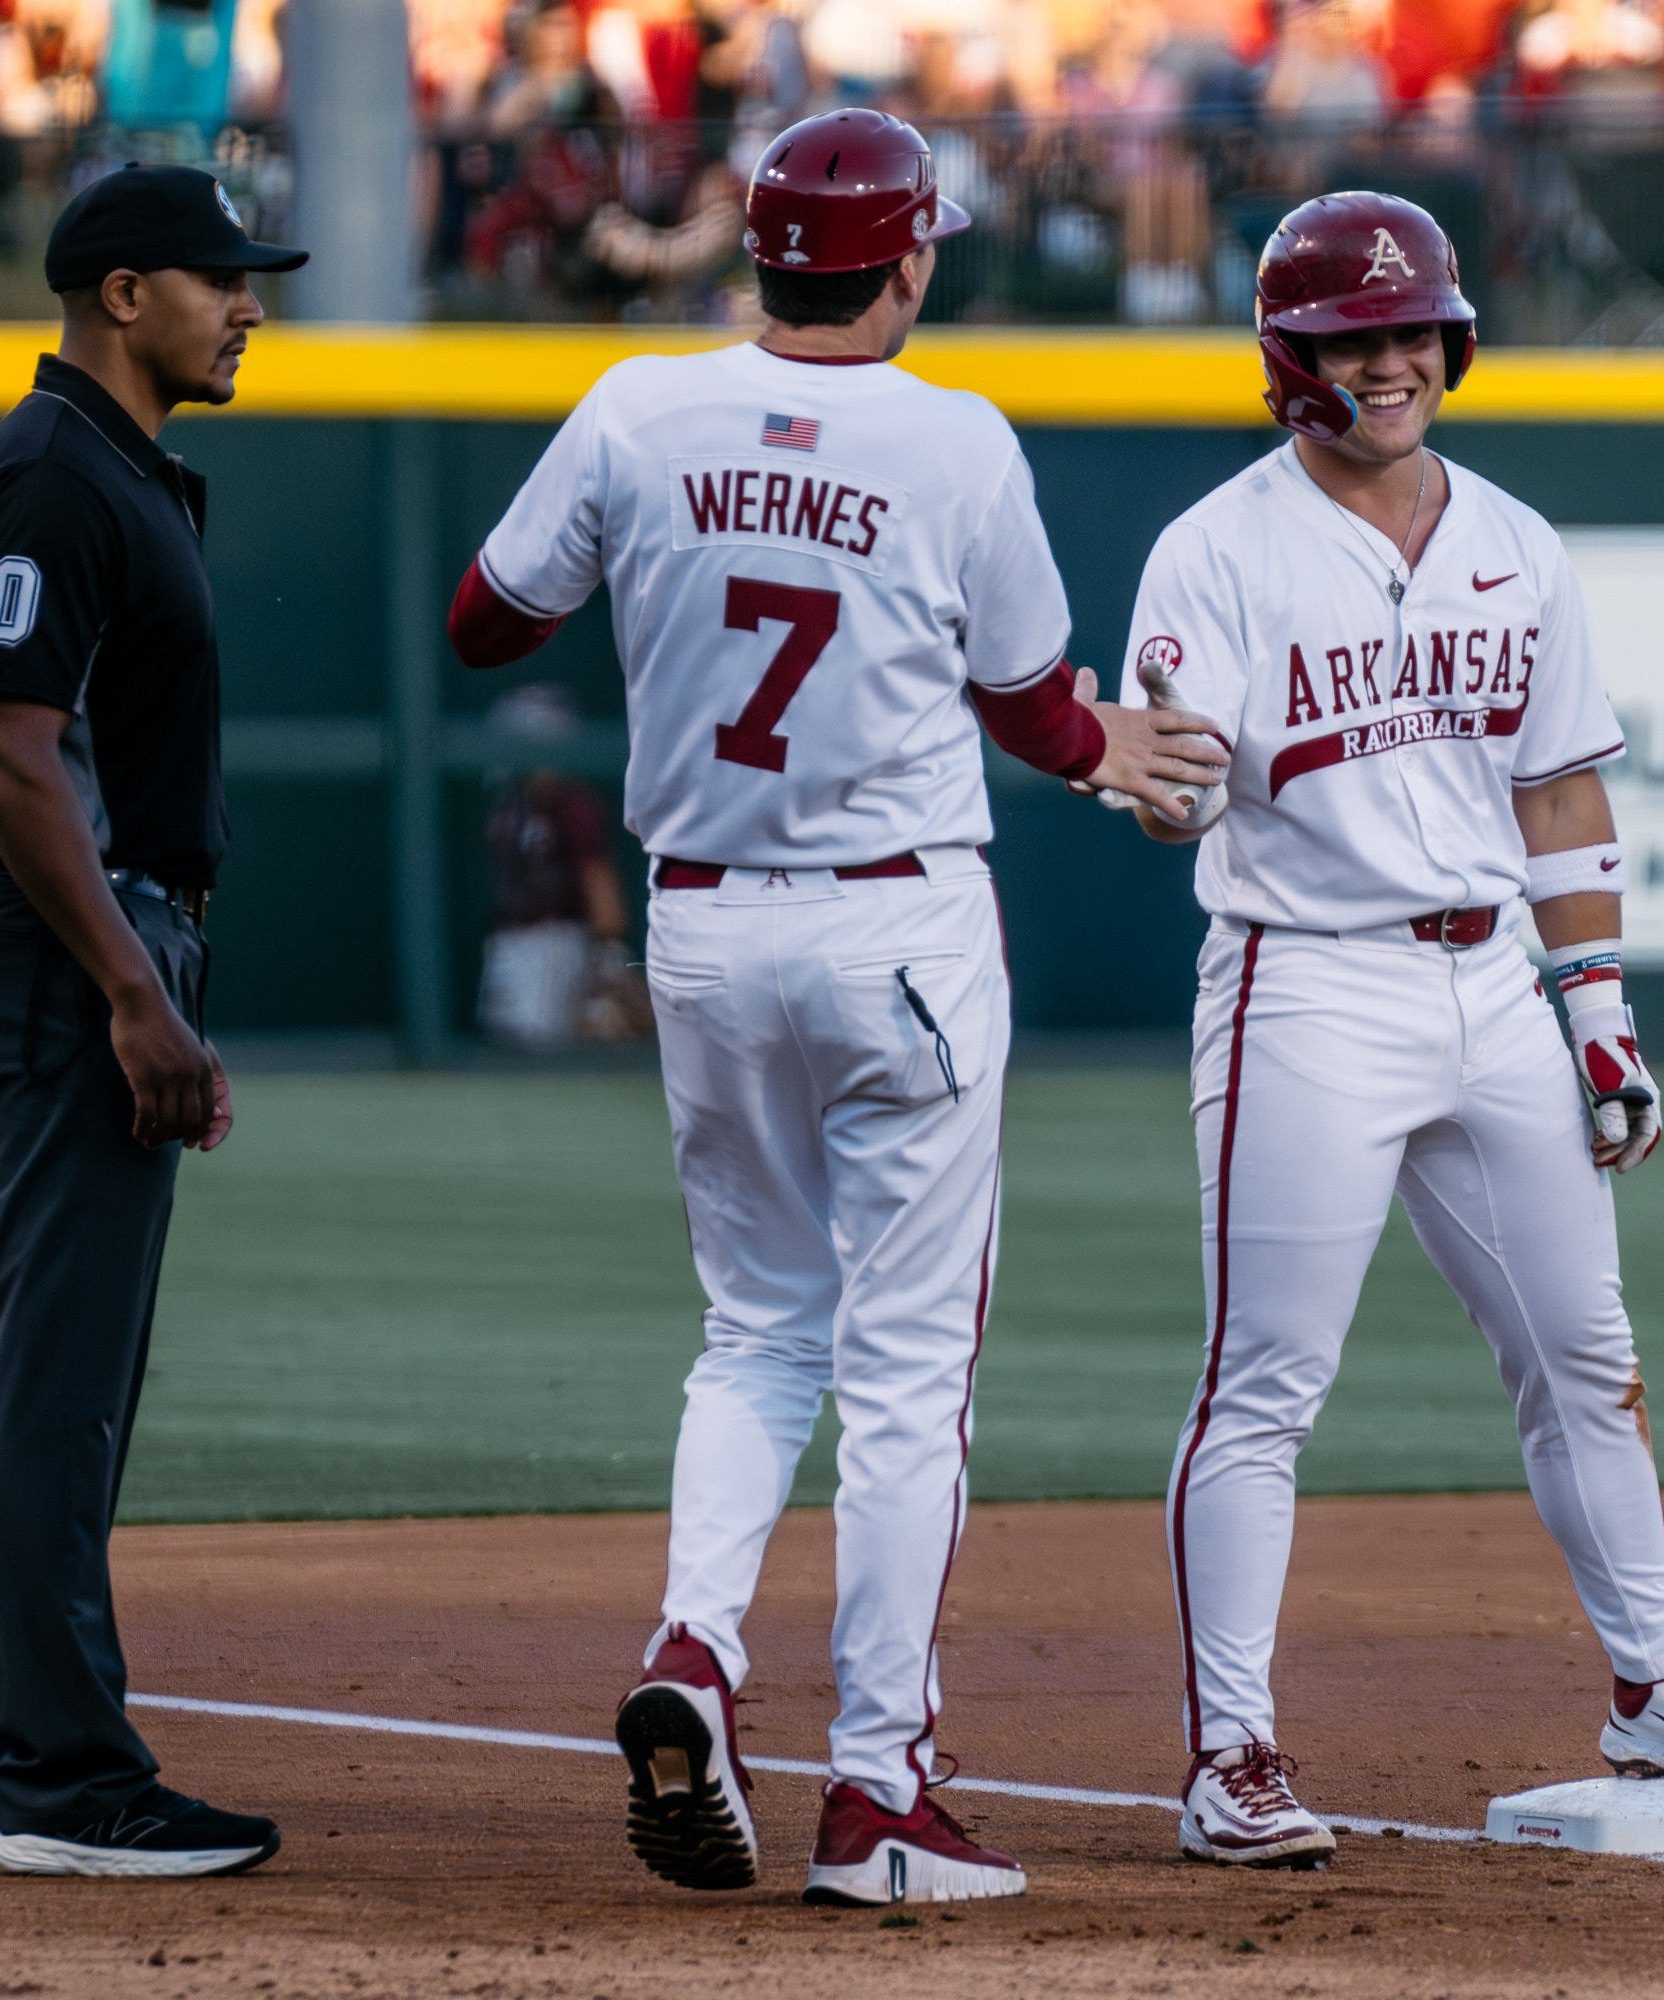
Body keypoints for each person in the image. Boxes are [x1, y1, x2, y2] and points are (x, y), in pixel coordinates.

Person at [443, 107, 1228, 1906]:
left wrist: (665, 575)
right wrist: (1106, 748)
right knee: (904, 1371)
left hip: (704, 930)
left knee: (754, 1332)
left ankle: (698, 1653)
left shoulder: (640, 406)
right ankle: (877, 1789)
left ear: (761, 251)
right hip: (896, 930)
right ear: (911, 260)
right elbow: (1037, 710)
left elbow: (487, 621)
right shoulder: (955, 439)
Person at [1118, 192, 1664, 1870]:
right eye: (1354, 337)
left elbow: (1559, 783)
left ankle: (1659, 1682)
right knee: (1266, 1383)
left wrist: (1600, 1012)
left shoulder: (1517, 539)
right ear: (1288, 357)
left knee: (1587, 1355)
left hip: (1490, 985)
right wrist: (1156, 785)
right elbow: (1172, 767)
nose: (1390, 363)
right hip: (1303, 985)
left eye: (1413, 332)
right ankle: (1232, 1751)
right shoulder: (1217, 546)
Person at [0, 164, 304, 1880]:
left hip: (70, 937)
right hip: (64, 941)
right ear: (120, 292)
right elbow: (5, 755)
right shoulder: (51, 477)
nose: (251, 306)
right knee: (59, 1375)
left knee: (20, 1357)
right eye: (223, 278)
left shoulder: (105, 471)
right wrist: (134, 994)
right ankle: (69, 1782)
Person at [476, 683, 636, 1050]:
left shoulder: (573, 805)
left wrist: (609, 950)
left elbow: (596, 877)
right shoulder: (512, 800)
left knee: (537, 1047)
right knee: (505, 1041)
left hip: (555, 940)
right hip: (511, 936)